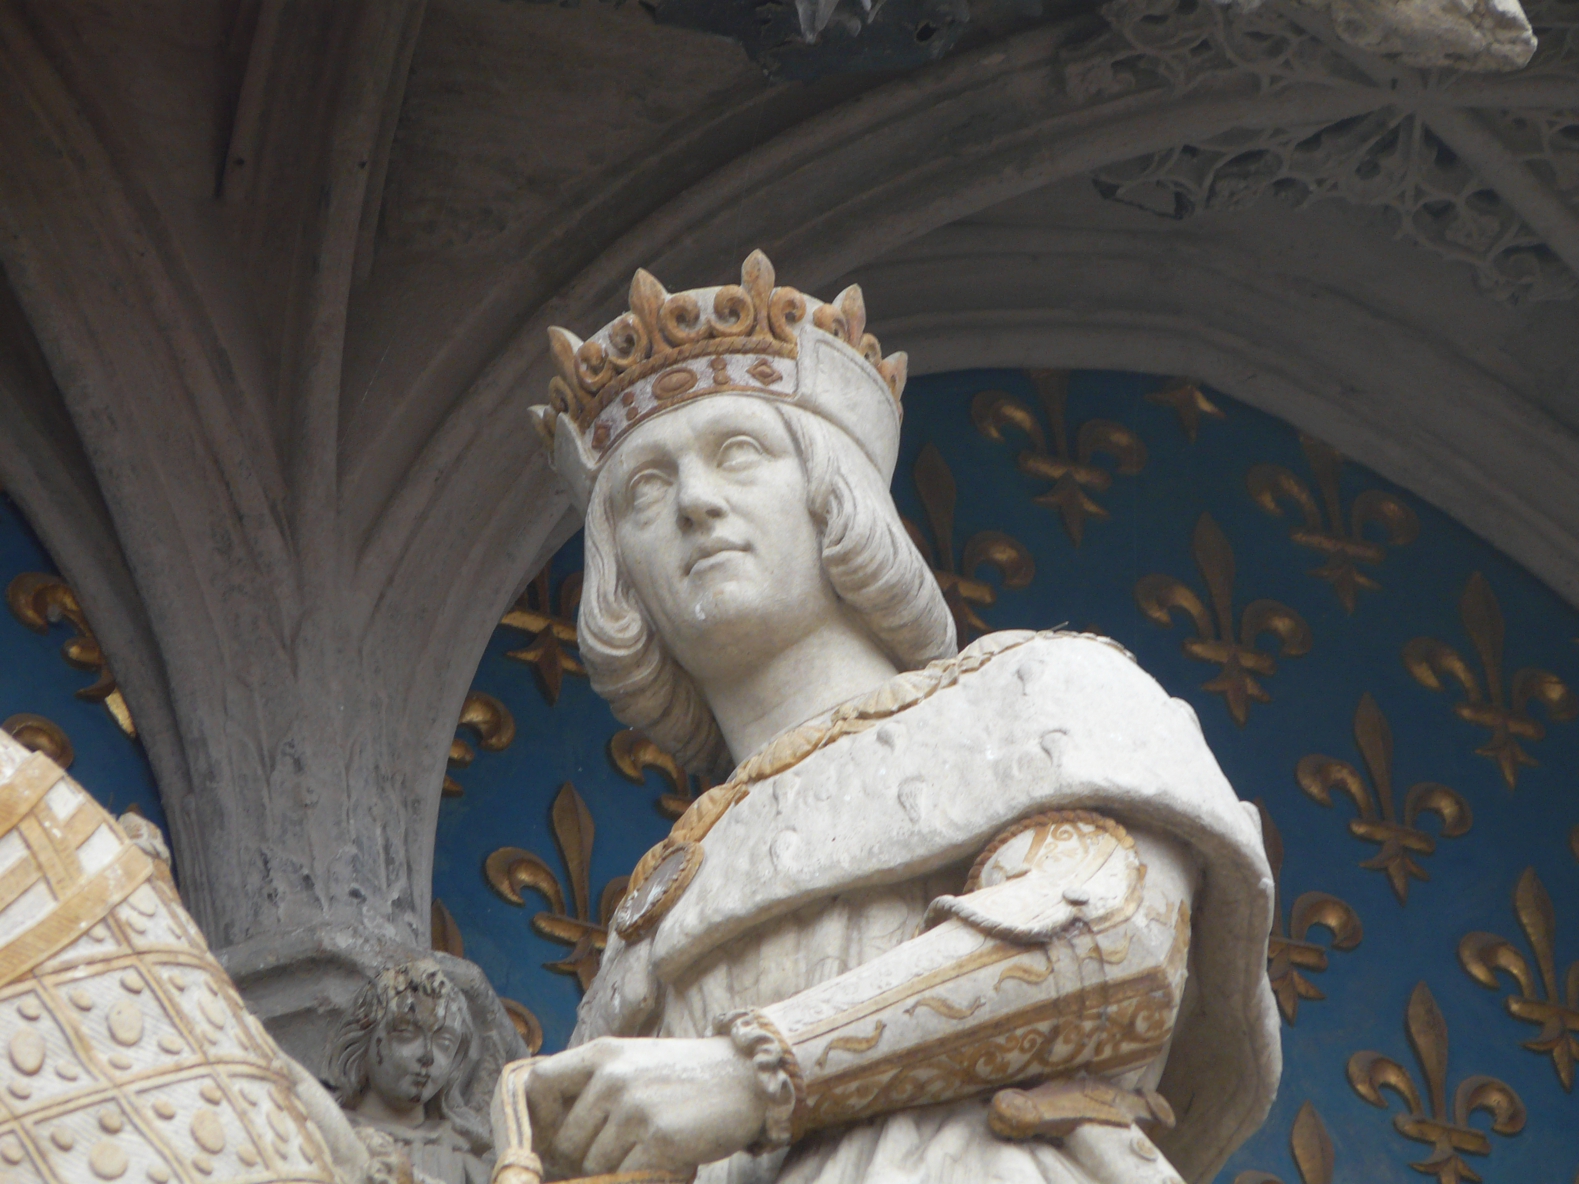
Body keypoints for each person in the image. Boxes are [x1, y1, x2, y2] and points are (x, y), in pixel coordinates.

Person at [493, 250, 1279, 1184]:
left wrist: (752, 1075)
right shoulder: (651, 905)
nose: (696, 503)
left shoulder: (1034, 692)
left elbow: (1111, 956)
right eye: (644, 492)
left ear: (836, 496)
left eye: (738, 452)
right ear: (619, 577)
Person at [331, 960, 494, 1184]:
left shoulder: (466, 1165)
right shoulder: (324, 1137)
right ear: (364, 1039)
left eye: (444, 1044)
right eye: (407, 1034)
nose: (427, 1055)